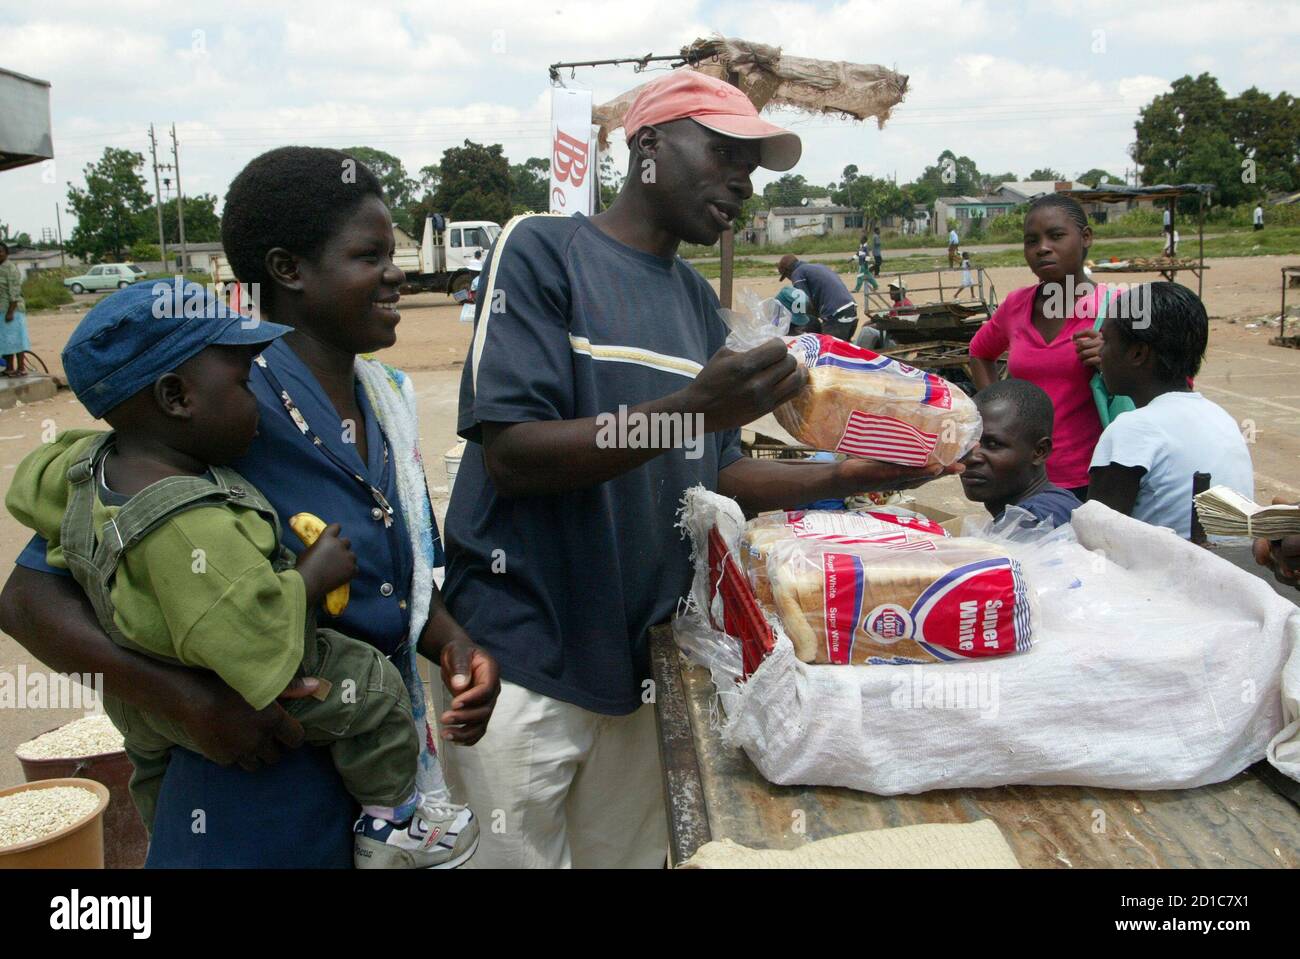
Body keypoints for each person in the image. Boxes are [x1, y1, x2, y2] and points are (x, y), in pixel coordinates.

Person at [441, 68, 952, 869]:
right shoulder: (542, 250)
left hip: (647, 664)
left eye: (753, 166)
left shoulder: (694, 300)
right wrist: (693, 407)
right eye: (723, 153)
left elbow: (722, 478)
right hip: (523, 661)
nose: (741, 182)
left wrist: (852, 473)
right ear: (648, 145)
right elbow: (512, 455)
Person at [0, 147, 500, 868]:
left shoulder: (386, 394)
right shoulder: (212, 407)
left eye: (392, 253)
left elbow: (395, 578)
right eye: (369, 255)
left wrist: (452, 641)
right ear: (289, 270)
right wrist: (186, 702)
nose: (396, 272)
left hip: (375, 768)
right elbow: (26, 601)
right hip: (251, 779)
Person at [969, 193, 1109, 502]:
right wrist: (992, 419)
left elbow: (1161, 384)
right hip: (1019, 480)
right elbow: (979, 353)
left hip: (1087, 479)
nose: (1042, 248)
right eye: (1031, 241)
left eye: (1056, 236)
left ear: (1085, 238)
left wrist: (1111, 360)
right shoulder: (1016, 305)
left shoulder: (1113, 309)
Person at [1088, 282, 1253, 539]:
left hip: (1163, 577)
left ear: (1138, 353)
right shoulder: (1222, 418)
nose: (1100, 352)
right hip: (1231, 573)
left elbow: (1095, 541)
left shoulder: (1131, 430)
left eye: (1106, 341)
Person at [960, 379, 1082, 528]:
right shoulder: (1058, 503)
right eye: (967, 441)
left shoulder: (1029, 522)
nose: (970, 458)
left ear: (1039, 451)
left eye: (993, 445)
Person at [777, 254, 859, 342]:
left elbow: (803, 301)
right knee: (843, 349)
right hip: (850, 307)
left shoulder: (797, 273)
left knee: (827, 350)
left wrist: (797, 321)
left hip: (835, 313)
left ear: (788, 271)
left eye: (787, 276)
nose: (790, 279)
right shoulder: (818, 266)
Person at [0, 242, 31, 377]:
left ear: (6, 253)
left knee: (17, 340)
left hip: (13, 311)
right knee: (6, 341)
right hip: (2, 310)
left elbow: (15, 292)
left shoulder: (11, 268)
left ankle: (21, 368)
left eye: (0, 251)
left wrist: (10, 311)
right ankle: (9, 368)